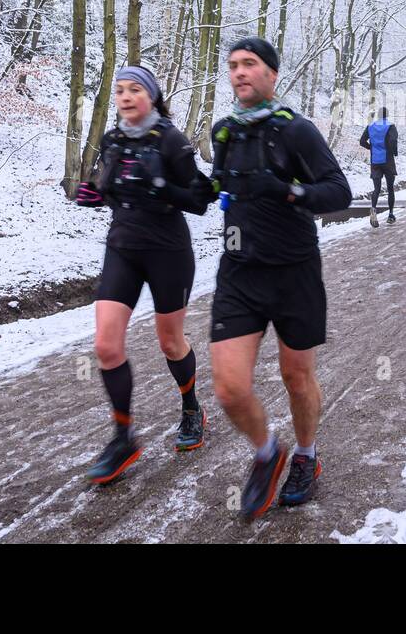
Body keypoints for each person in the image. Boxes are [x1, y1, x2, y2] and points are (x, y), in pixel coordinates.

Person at [204, 36, 351, 521]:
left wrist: (288, 190)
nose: (240, 73)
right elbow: (219, 191)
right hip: (238, 273)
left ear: (271, 74)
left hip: (294, 272)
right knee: (228, 387)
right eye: (233, 66)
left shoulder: (296, 131)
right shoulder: (223, 132)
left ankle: (306, 454)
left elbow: (338, 193)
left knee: (295, 375)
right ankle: (267, 452)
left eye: (250, 64)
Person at [73, 64, 214, 484]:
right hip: (123, 249)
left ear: (151, 96)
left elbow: (200, 199)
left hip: (168, 251)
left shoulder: (171, 140)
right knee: (105, 344)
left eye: (135, 89)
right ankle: (123, 437)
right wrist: (96, 194)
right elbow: (111, 185)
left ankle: (191, 407)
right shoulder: (112, 139)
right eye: (120, 91)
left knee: (170, 342)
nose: (126, 97)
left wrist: (164, 189)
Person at [358, 106, 398, 226]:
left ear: (378, 115)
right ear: (387, 115)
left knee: (377, 189)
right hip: (388, 161)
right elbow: (392, 141)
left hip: (375, 161)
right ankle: (390, 215)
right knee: (390, 188)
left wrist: (372, 148)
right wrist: (393, 152)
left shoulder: (371, 126)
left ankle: (373, 209)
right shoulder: (390, 126)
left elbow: (362, 141)